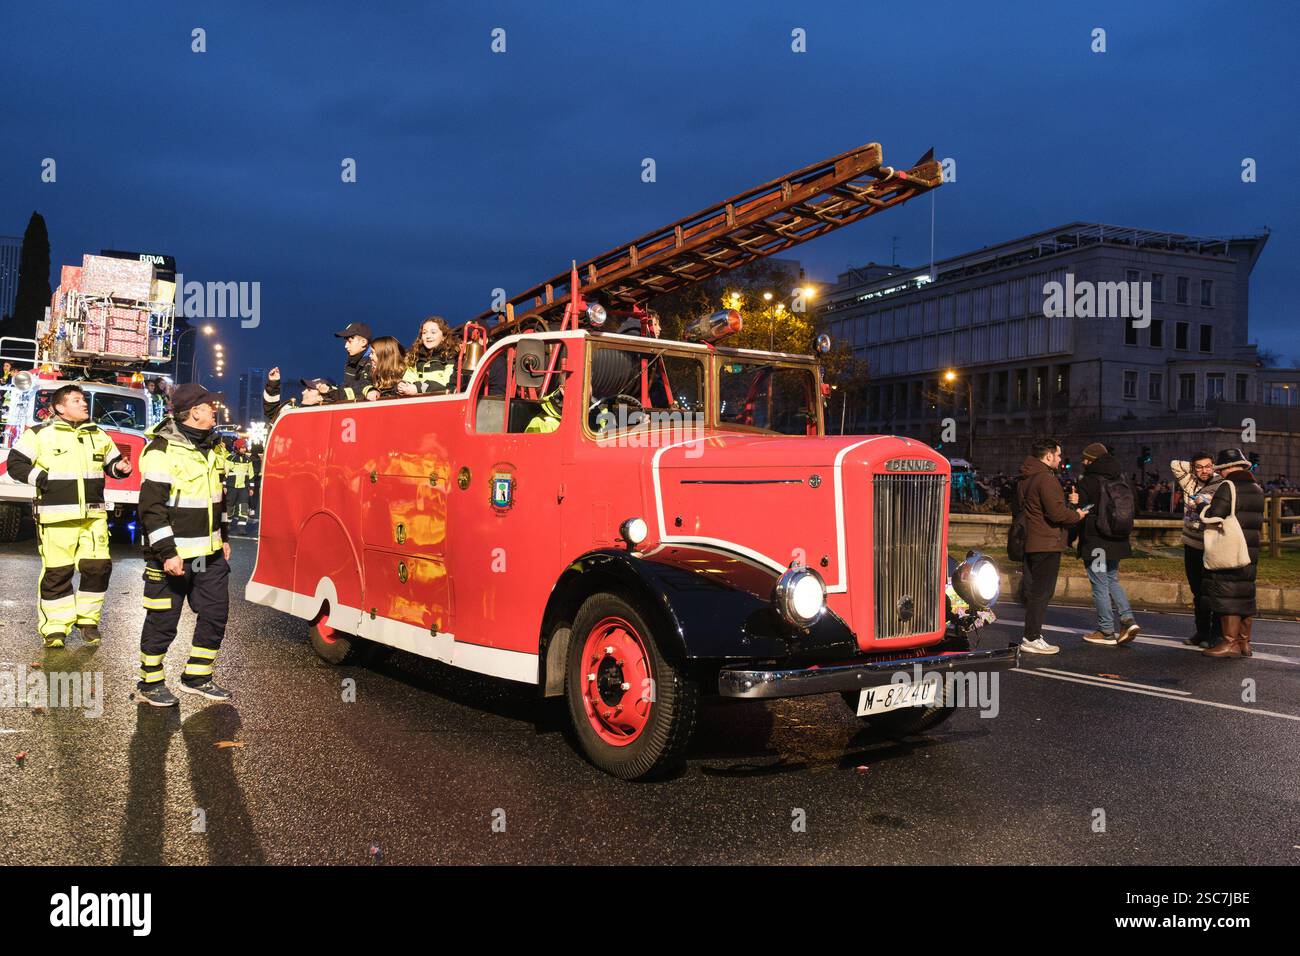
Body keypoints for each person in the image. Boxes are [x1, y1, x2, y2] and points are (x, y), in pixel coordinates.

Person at [5, 384, 132, 647]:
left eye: (83, 400)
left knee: (98, 569)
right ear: (60, 407)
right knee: (57, 573)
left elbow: (112, 464)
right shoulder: (40, 434)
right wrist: (41, 479)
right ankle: (55, 629)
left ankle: (88, 621)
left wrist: (120, 468)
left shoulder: (99, 434)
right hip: (56, 517)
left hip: (93, 517)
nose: (84, 404)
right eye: (77, 400)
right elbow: (15, 465)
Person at [136, 384, 233, 705]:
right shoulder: (160, 450)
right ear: (194, 411)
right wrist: (167, 553)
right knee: (163, 621)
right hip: (173, 557)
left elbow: (220, 498)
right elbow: (152, 508)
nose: (213, 410)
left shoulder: (214, 448)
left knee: (216, 613)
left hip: (209, 556)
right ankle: (150, 682)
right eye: (209, 406)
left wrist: (225, 537)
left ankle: (198, 676)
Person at [1013, 437, 1087, 655]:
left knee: (1035, 591)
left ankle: (1032, 635)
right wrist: (1077, 514)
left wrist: (1067, 502)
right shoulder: (1046, 478)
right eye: (1058, 455)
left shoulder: (1026, 478)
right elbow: (1056, 514)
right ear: (1048, 456)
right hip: (1047, 542)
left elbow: (1029, 508)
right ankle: (1032, 637)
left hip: (1031, 541)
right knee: (1042, 593)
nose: (1060, 458)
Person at [1200, 448, 1265, 659]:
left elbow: (1215, 514)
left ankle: (1229, 643)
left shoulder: (1227, 486)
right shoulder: (1256, 488)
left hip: (1230, 548)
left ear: (1226, 468)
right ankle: (1244, 643)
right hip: (1250, 548)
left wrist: (1204, 506)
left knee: (1227, 592)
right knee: (1245, 593)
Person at [1073, 443, 1140, 646]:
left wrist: (1075, 500)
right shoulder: (1121, 477)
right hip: (1117, 539)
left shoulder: (1089, 480)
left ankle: (1106, 631)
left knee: (1099, 584)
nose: (1083, 462)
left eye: (1086, 459)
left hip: (1096, 540)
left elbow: (1080, 510)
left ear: (1092, 460)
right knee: (1112, 579)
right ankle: (1127, 620)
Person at [1171, 452, 1223, 647]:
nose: (1204, 470)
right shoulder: (1189, 483)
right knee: (1196, 590)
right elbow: (1175, 463)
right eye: (1199, 467)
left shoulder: (1221, 485)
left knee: (1211, 591)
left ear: (1214, 466)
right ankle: (1201, 632)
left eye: (1208, 466)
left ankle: (1215, 634)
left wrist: (1214, 471)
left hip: (1211, 545)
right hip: (1191, 544)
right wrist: (1194, 468)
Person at [398, 316, 458, 396]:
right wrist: (402, 385)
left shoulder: (450, 357)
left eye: (433, 332)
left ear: (444, 336)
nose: (428, 336)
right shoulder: (416, 357)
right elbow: (408, 378)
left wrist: (419, 388)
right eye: (424, 332)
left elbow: (446, 384)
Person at [262, 367, 331, 423]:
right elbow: (272, 412)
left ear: (320, 397)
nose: (303, 392)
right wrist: (273, 384)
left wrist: (330, 392)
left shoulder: (325, 418)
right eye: (305, 388)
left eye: (309, 390)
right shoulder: (291, 412)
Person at [334, 322, 373, 401]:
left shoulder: (374, 361)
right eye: (345, 342)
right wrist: (329, 390)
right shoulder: (351, 362)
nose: (346, 346)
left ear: (363, 342)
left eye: (349, 341)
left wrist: (335, 394)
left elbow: (366, 388)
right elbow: (347, 387)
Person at [360, 336, 406, 401]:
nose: (370, 356)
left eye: (372, 353)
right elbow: (361, 385)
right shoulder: (370, 374)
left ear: (384, 356)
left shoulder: (406, 376)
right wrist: (370, 390)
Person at [226, 438, 255, 529]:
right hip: (231, 487)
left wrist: (251, 488)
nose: (244, 449)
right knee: (230, 506)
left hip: (244, 488)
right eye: (242, 448)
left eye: (245, 447)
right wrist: (224, 486)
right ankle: (228, 523)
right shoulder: (230, 458)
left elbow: (251, 475)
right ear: (237, 448)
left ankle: (241, 527)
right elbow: (226, 473)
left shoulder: (248, 460)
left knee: (244, 507)